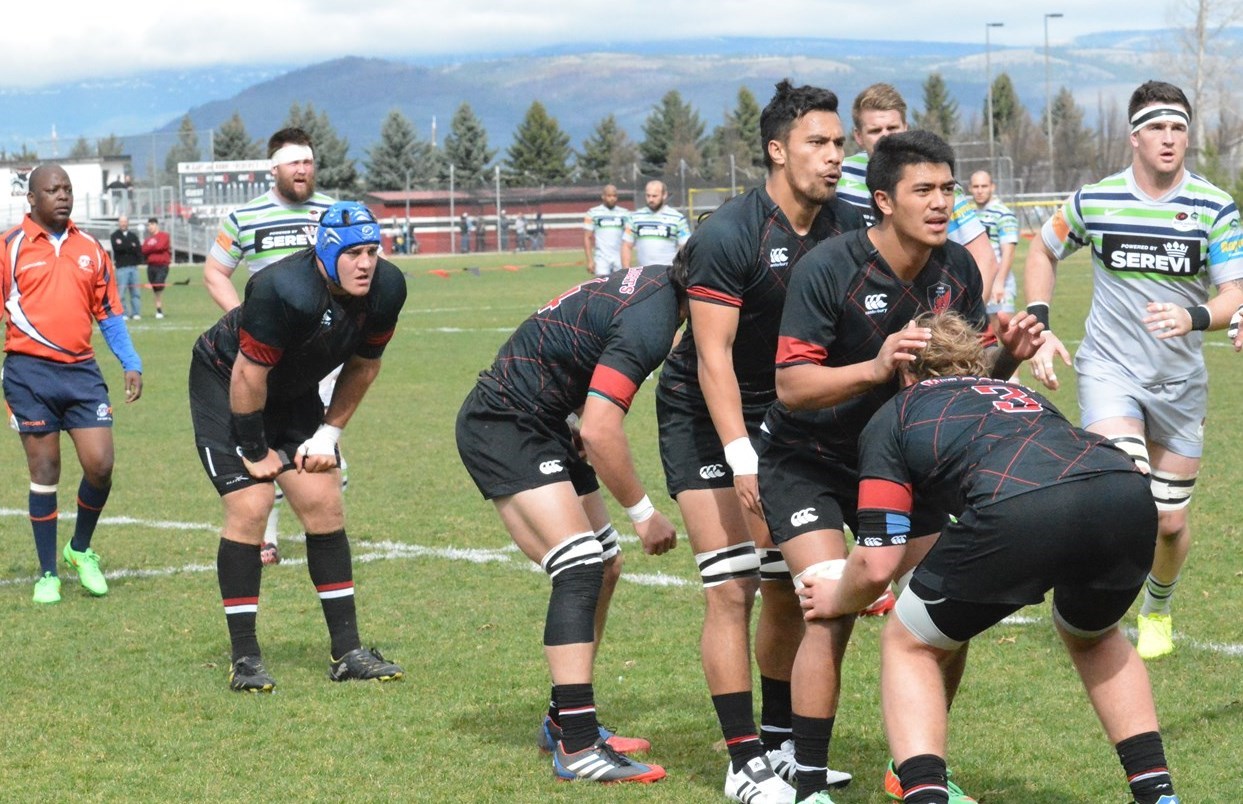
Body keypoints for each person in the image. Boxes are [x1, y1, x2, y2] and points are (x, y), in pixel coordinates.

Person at [797, 310, 1180, 804]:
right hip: (1125, 494)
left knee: (910, 644)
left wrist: (836, 597)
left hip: (1023, 508)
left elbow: (876, 562)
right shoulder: (1024, 395)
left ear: (904, 371)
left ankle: (925, 794)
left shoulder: (895, 414)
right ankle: (1158, 795)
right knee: (1094, 635)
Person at [761, 130, 1040, 804]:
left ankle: (917, 766)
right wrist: (877, 367)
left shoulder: (958, 273)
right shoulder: (828, 268)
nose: (941, 202)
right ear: (883, 200)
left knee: (947, 608)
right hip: (810, 462)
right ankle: (806, 782)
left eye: (946, 188)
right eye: (924, 190)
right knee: (828, 605)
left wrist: (1007, 354)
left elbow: (965, 380)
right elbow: (791, 386)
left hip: (905, 463)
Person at [655, 80, 864, 804]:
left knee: (788, 589)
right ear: (777, 150)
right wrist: (741, 457)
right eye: (818, 142)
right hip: (705, 413)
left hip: (788, 414)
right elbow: (710, 357)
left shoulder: (847, 225)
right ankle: (741, 762)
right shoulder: (728, 233)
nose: (834, 156)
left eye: (839, 143)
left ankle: (778, 745)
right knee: (731, 585)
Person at [1024, 80, 1243, 662]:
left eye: (1178, 128)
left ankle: (1159, 606)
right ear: (1134, 136)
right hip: (1109, 370)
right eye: (1158, 127)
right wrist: (1041, 321)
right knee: (1124, 487)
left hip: (1179, 384)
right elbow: (1042, 249)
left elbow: (1233, 295)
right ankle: (1084, 599)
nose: (1169, 139)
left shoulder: (1213, 206)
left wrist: (1195, 315)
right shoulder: (1095, 201)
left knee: (1169, 525)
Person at [456, 260, 687, 783]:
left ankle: (566, 721)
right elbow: (603, 432)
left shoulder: (655, 287)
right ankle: (580, 749)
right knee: (580, 563)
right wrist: (644, 514)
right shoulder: (652, 319)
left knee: (603, 564)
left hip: (549, 421)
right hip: (505, 421)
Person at [188, 201, 406, 692]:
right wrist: (253, 447)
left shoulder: (388, 287)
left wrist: (328, 433)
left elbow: (365, 365)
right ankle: (245, 658)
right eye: (353, 253)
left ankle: (347, 652)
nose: (366, 263)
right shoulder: (281, 289)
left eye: (372, 250)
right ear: (326, 254)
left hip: (289, 390)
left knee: (324, 503)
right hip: (227, 385)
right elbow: (247, 375)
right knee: (251, 503)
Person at [0, 164, 143, 604]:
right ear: (31, 199)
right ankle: (47, 574)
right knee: (45, 472)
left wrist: (130, 360)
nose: (62, 196)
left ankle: (79, 550)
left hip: (82, 373)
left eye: (67, 189)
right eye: (52, 190)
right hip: (28, 372)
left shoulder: (92, 249)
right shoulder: (9, 248)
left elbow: (109, 312)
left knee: (100, 465)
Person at [203, 127, 336, 566]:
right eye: (295, 162)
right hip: (270, 357)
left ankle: (326, 527)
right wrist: (247, 322)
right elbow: (215, 273)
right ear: (274, 168)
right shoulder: (245, 217)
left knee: (323, 446)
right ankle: (269, 538)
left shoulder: (334, 213)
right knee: (268, 442)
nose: (303, 169)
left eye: (309, 162)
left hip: (324, 353)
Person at [836, 83, 997, 294]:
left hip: (919, 303)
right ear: (858, 136)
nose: (885, 137)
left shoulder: (940, 185)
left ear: (905, 128)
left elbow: (984, 258)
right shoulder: (839, 175)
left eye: (892, 128)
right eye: (875, 130)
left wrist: (968, 322)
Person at [968, 170, 1020, 328]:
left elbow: (1009, 252)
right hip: (979, 285)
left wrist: (999, 283)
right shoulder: (972, 215)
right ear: (970, 188)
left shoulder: (1003, 214)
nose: (979, 190)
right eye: (976, 186)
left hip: (999, 285)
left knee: (1004, 332)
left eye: (984, 186)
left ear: (992, 187)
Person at [621, 180, 690, 269]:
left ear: (664, 195)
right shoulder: (635, 217)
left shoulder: (677, 218)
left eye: (654, 196)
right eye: (648, 196)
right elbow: (626, 245)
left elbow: (685, 247)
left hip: (668, 274)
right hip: (643, 275)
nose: (651, 199)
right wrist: (626, 270)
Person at [583, 184, 630, 277]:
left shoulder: (625, 214)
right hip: (601, 259)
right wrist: (590, 260)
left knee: (620, 287)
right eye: (609, 196)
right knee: (602, 288)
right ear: (603, 196)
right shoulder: (592, 213)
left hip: (619, 258)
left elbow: (629, 239)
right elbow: (587, 237)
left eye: (614, 196)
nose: (612, 198)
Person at [110, 215, 143, 320]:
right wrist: (130, 246)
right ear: (119, 223)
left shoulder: (133, 236)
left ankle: (136, 313)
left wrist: (126, 246)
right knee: (121, 292)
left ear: (128, 222)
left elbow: (137, 249)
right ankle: (124, 313)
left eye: (125, 221)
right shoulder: (115, 235)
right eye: (121, 222)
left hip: (133, 267)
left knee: (135, 292)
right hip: (121, 268)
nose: (123, 223)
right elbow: (117, 248)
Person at [141, 217, 171, 319]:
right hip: (151, 266)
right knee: (155, 289)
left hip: (162, 265)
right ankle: (159, 309)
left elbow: (161, 246)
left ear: (156, 225)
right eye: (148, 226)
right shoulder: (148, 239)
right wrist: (153, 248)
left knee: (158, 284)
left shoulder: (164, 236)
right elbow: (144, 249)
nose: (149, 227)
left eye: (151, 225)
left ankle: (160, 308)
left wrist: (151, 249)